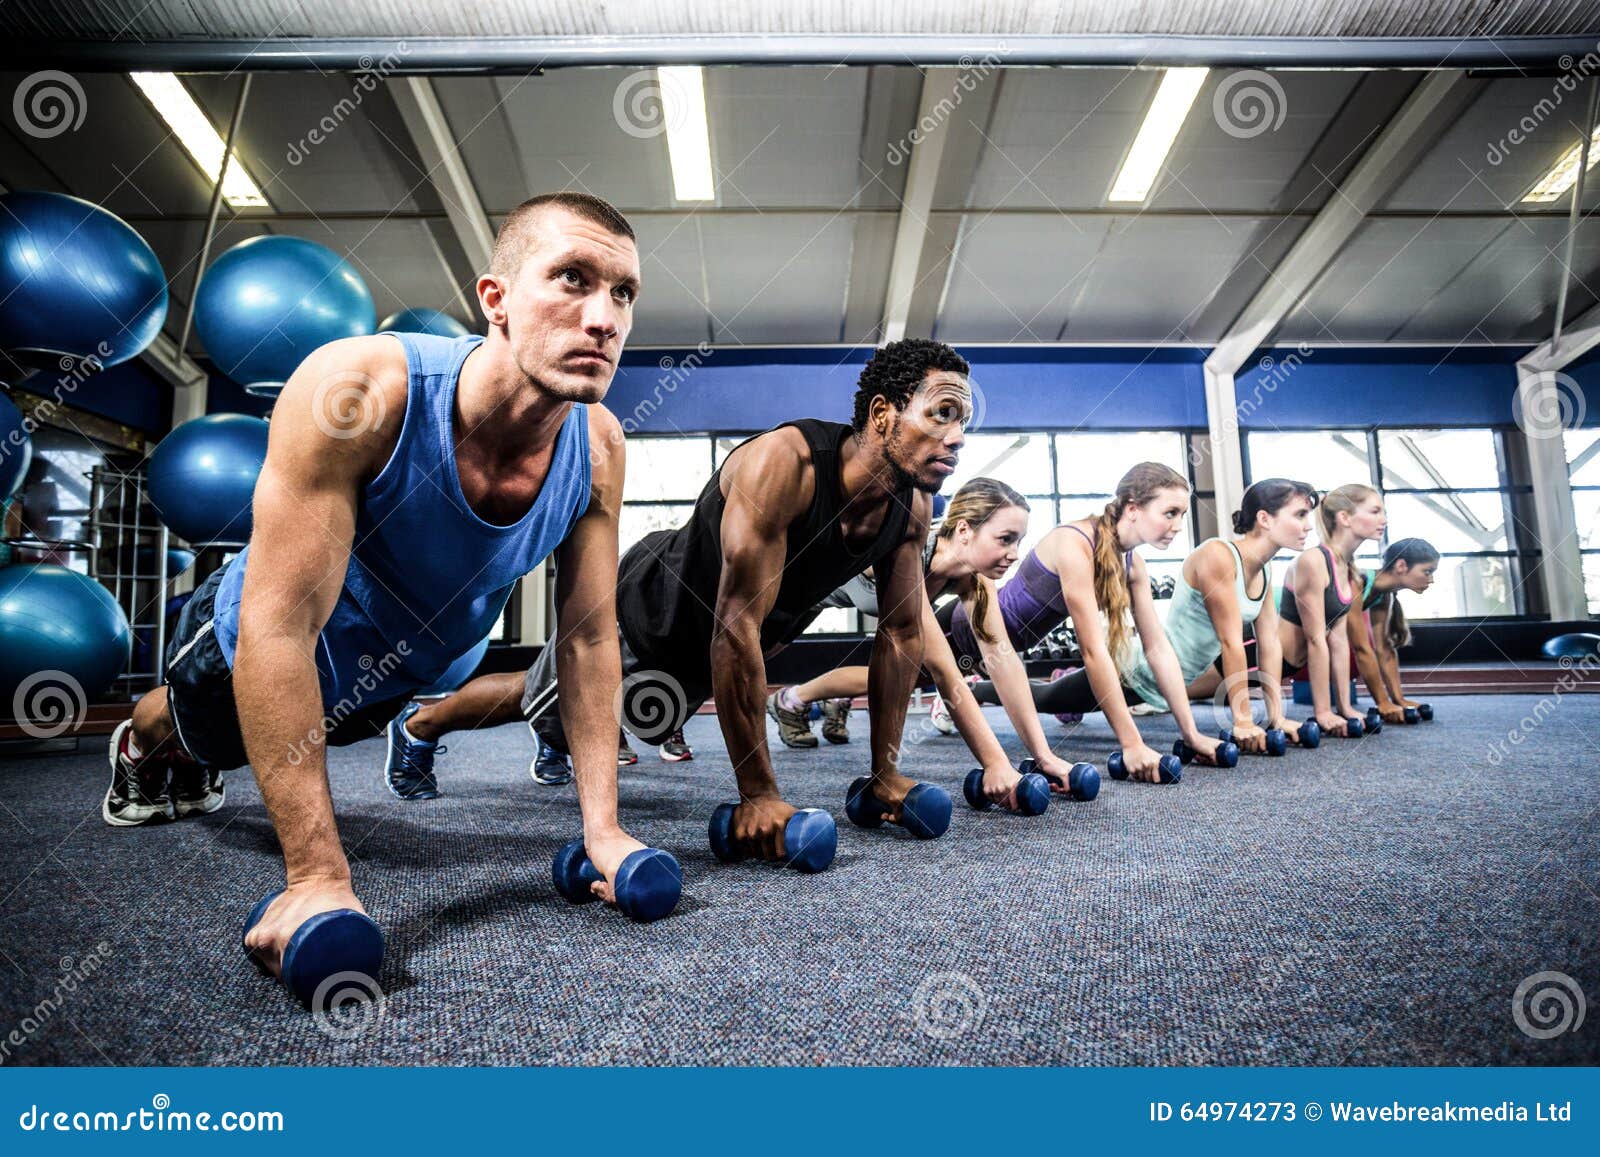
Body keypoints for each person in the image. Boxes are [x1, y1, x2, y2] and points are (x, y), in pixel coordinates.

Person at [103, 192, 655, 949]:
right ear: (494, 299)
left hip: (392, 675)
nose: (605, 318)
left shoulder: (600, 446)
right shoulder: (360, 391)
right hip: (253, 645)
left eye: (623, 292)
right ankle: (141, 745)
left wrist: (605, 830)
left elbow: (590, 640)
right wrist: (316, 879)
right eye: (572, 278)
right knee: (196, 735)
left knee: (308, 742)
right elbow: (280, 623)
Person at [407, 338, 971, 859]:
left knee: (634, 717)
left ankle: (560, 739)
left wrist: (886, 773)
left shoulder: (911, 507)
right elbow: (735, 625)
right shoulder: (786, 465)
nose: (957, 436)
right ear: (882, 415)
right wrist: (759, 794)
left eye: (963, 421)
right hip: (649, 612)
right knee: (532, 699)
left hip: (710, 650)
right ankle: (420, 728)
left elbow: (899, 636)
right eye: (941, 413)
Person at [769, 477, 1091, 807]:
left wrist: (1043, 756)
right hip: (786, 585)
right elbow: (944, 671)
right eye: (1005, 540)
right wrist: (995, 763)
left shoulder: (974, 579)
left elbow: (1002, 657)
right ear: (964, 530)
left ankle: (805, 704)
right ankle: (784, 710)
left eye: (1018, 542)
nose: (1014, 554)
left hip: (822, 599)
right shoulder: (908, 550)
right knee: (740, 662)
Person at [968, 463, 1234, 779]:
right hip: (970, 633)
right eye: (1170, 512)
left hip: (1008, 653)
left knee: (1041, 696)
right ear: (1133, 509)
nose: (1177, 525)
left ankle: (967, 690)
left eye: (1182, 516)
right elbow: (1093, 651)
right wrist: (1132, 743)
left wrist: (1191, 734)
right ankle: (967, 691)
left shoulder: (1133, 565)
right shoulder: (1075, 543)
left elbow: (1158, 649)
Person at [1162, 478, 1321, 752]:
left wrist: (1276, 716)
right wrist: (1243, 720)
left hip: (1187, 676)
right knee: (1066, 699)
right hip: (1149, 670)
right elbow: (1231, 642)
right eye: (1300, 515)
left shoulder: (1265, 570)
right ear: (1265, 519)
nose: (1308, 525)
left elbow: (1269, 643)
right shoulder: (1218, 554)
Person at [1277, 482, 1386, 737]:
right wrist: (1323, 711)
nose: (1384, 519)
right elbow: (1315, 639)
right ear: (1345, 517)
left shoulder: (1347, 569)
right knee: (1177, 688)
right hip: (1254, 660)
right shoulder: (1314, 561)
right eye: (1375, 511)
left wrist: (1345, 707)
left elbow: (1338, 641)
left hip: (1287, 665)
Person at [1346, 537, 1439, 723]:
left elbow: (1384, 648)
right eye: (1427, 571)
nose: (1431, 579)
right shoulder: (1357, 582)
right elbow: (1361, 649)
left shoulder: (1383, 595)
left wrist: (1398, 700)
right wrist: (1382, 703)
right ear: (1401, 566)